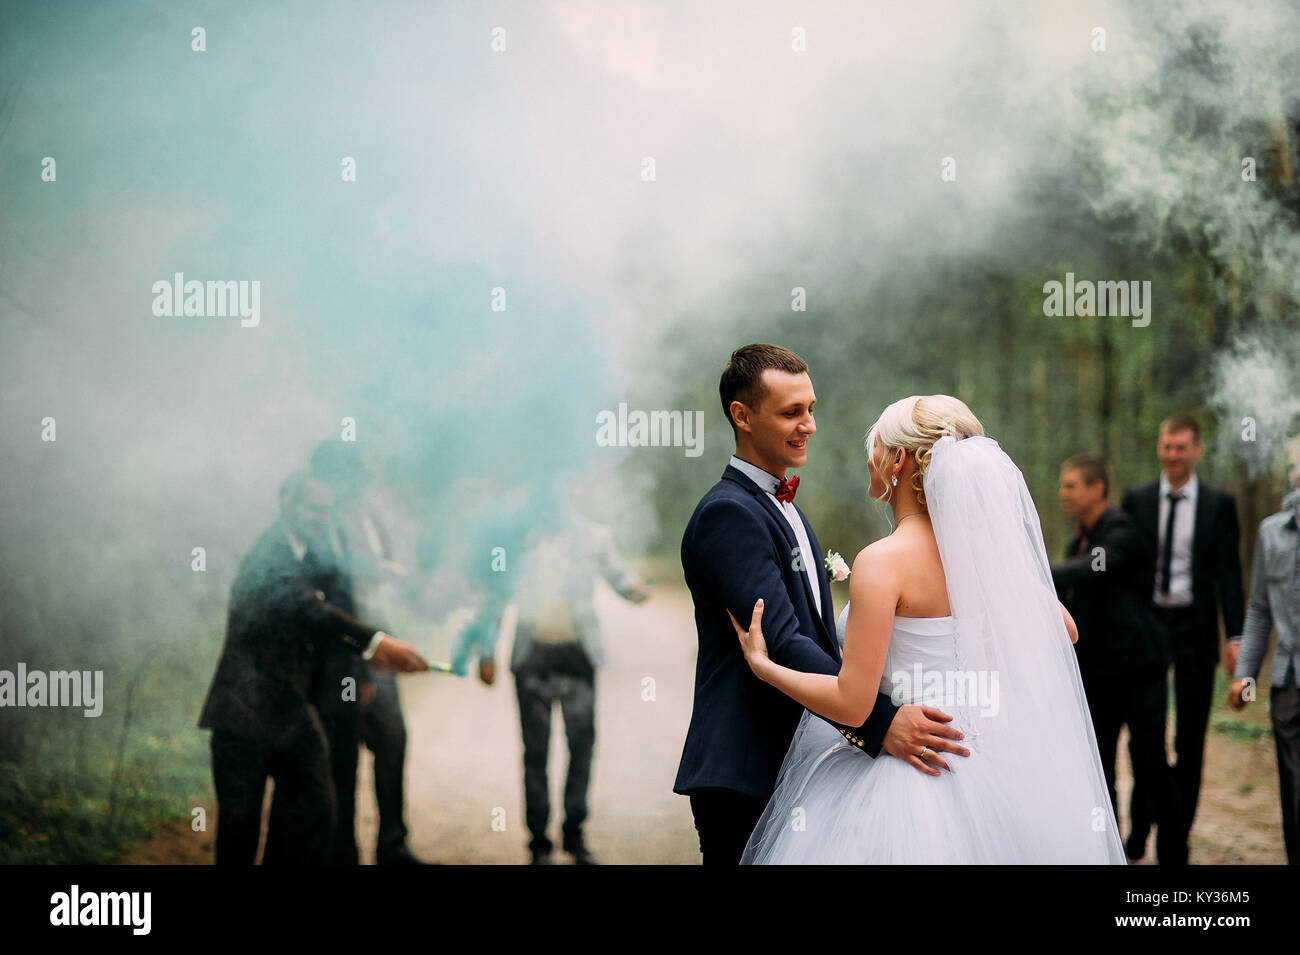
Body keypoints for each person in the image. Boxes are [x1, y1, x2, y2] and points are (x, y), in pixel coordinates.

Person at [733, 395, 1126, 864]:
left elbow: (853, 704)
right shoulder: (985, 555)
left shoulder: (881, 563)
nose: (868, 456)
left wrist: (765, 667)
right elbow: (1066, 631)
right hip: (986, 755)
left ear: (898, 460)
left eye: (874, 444)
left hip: (908, 772)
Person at [674, 346, 972, 866]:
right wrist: (880, 722)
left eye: (811, 409)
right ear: (741, 416)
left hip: (803, 758)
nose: (808, 425)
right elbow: (785, 642)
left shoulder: (783, 505)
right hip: (749, 766)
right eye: (791, 412)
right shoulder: (728, 514)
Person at [198, 470, 429, 864]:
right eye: (312, 508)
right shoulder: (270, 556)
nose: (321, 518)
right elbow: (311, 610)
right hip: (245, 713)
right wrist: (376, 641)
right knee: (240, 833)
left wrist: (370, 654)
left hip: (290, 711)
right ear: (286, 505)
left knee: (316, 807)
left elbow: (340, 596)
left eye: (326, 511)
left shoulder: (310, 553)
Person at [457, 482, 652, 864]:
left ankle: (574, 834)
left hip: (578, 659)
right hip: (532, 660)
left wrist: (637, 590)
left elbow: (620, 578)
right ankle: (539, 844)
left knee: (581, 748)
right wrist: (486, 651)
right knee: (536, 753)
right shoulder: (518, 543)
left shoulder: (595, 537)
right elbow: (496, 595)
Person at [1121, 414, 1245, 865]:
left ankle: (1177, 839)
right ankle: (1140, 824)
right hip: (1148, 633)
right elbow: (1124, 569)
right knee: (1145, 743)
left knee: (1191, 743)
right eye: (1166, 446)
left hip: (1195, 633)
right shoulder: (1136, 501)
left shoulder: (1219, 504)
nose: (1172, 455)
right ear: (1160, 448)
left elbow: (1230, 575)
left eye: (1181, 447)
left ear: (1197, 450)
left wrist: (1236, 636)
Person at [1052, 453, 1176, 862]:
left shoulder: (1122, 530)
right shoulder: (1077, 539)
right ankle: (1111, 847)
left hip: (1141, 672)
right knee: (1101, 765)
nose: (1062, 493)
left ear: (1097, 488)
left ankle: (1149, 838)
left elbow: (1095, 568)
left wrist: (1036, 573)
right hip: (1099, 676)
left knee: (1148, 760)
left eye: (1071, 485)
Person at [310, 441, 426, 865]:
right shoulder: (321, 524)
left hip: (379, 648)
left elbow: (381, 582)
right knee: (341, 757)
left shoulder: (370, 515)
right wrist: (356, 672)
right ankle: (343, 852)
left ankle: (393, 846)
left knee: (393, 742)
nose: (364, 482)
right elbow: (329, 600)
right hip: (340, 661)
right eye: (355, 475)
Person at [1227, 482, 1300, 864]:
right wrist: (1246, 674)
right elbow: (1259, 609)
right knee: (1294, 788)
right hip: (1289, 683)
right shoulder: (1271, 532)